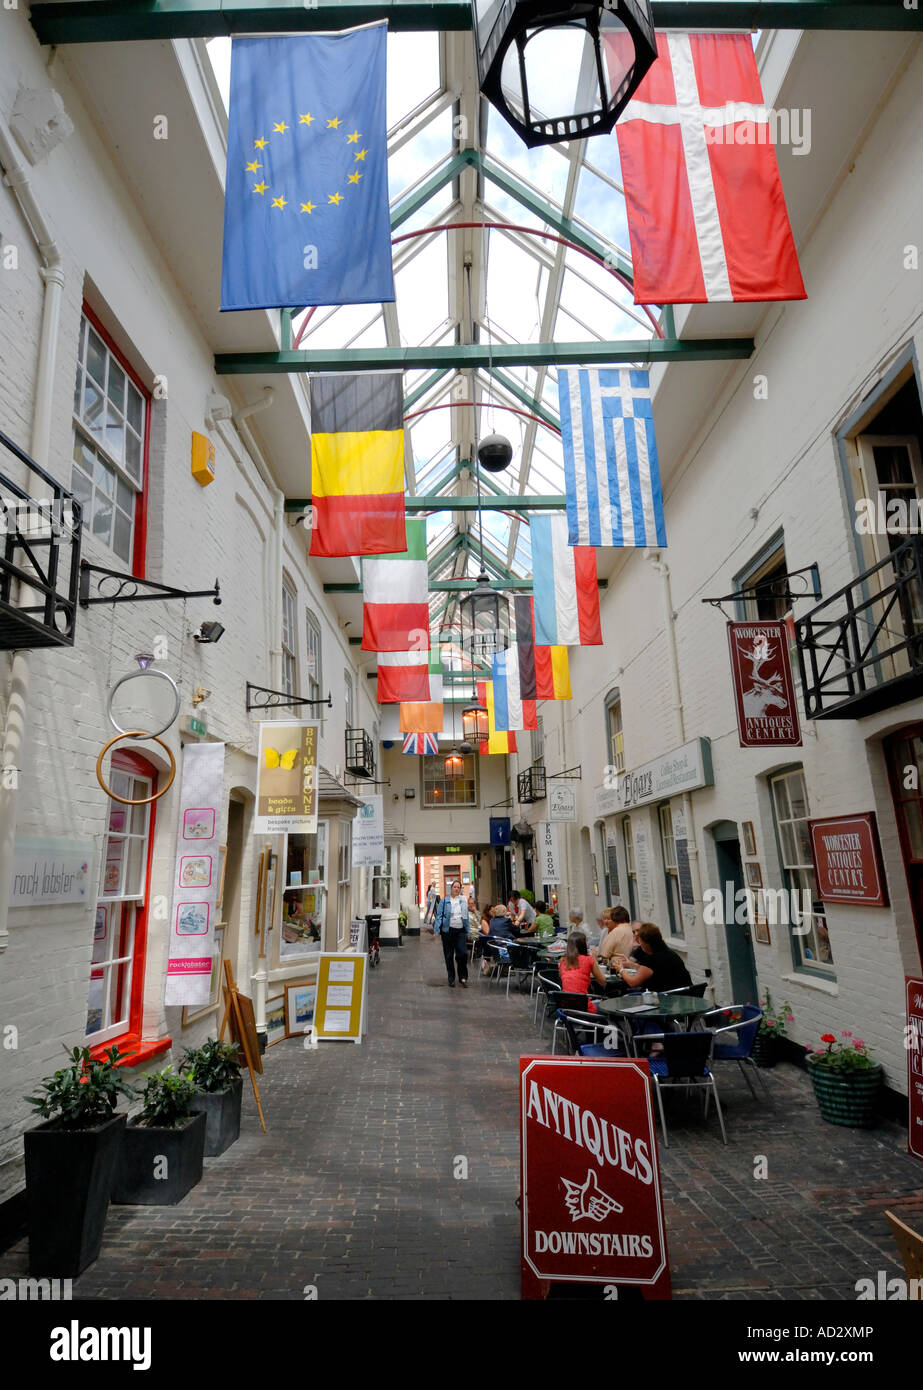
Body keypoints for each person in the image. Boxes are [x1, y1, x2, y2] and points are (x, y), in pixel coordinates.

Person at [612, 922, 693, 993]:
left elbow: (633, 983)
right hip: (683, 996)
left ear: (646, 942)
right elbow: (651, 970)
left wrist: (621, 970)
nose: (640, 944)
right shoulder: (671, 954)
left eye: (640, 941)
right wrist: (631, 965)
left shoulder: (651, 960)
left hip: (666, 999)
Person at [432, 879, 471, 987]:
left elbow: (466, 917)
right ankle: (451, 978)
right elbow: (439, 916)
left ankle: (463, 977)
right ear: (451, 888)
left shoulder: (463, 901)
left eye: (458, 887)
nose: (457, 889)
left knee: (462, 954)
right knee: (449, 956)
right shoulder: (444, 901)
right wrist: (436, 930)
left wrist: (468, 930)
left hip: (460, 931)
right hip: (448, 931)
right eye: (455, 887)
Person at [480, 903, 515, 975]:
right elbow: (516, 930)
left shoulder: (492, 921)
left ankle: (505, 969)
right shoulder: (507, 920)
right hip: (503, 948)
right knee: (515, 944)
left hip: (493, 948)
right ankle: (510, 968)